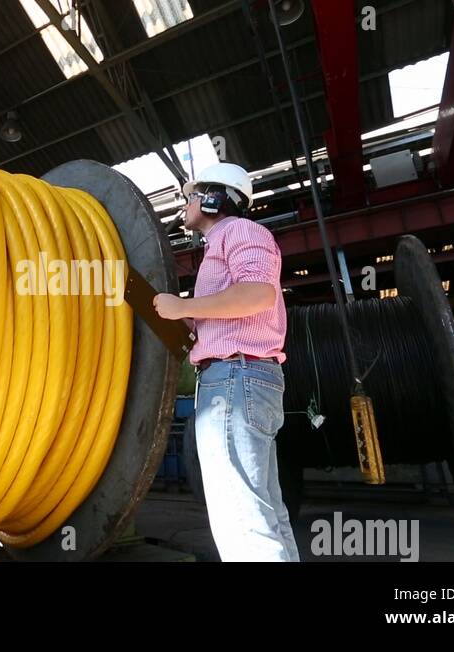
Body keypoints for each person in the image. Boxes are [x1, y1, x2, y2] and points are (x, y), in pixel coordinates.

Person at [153, 162, 299, 562]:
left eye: (192, 196)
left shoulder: (239, 231)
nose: (186, 204)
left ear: (215, 199)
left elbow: (257, 294)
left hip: (236, 378)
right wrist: (178, 316)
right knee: (262, 512)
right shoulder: (219, 246)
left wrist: (183, 304)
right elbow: (229, 308)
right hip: (240, 377)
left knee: (240, 514)